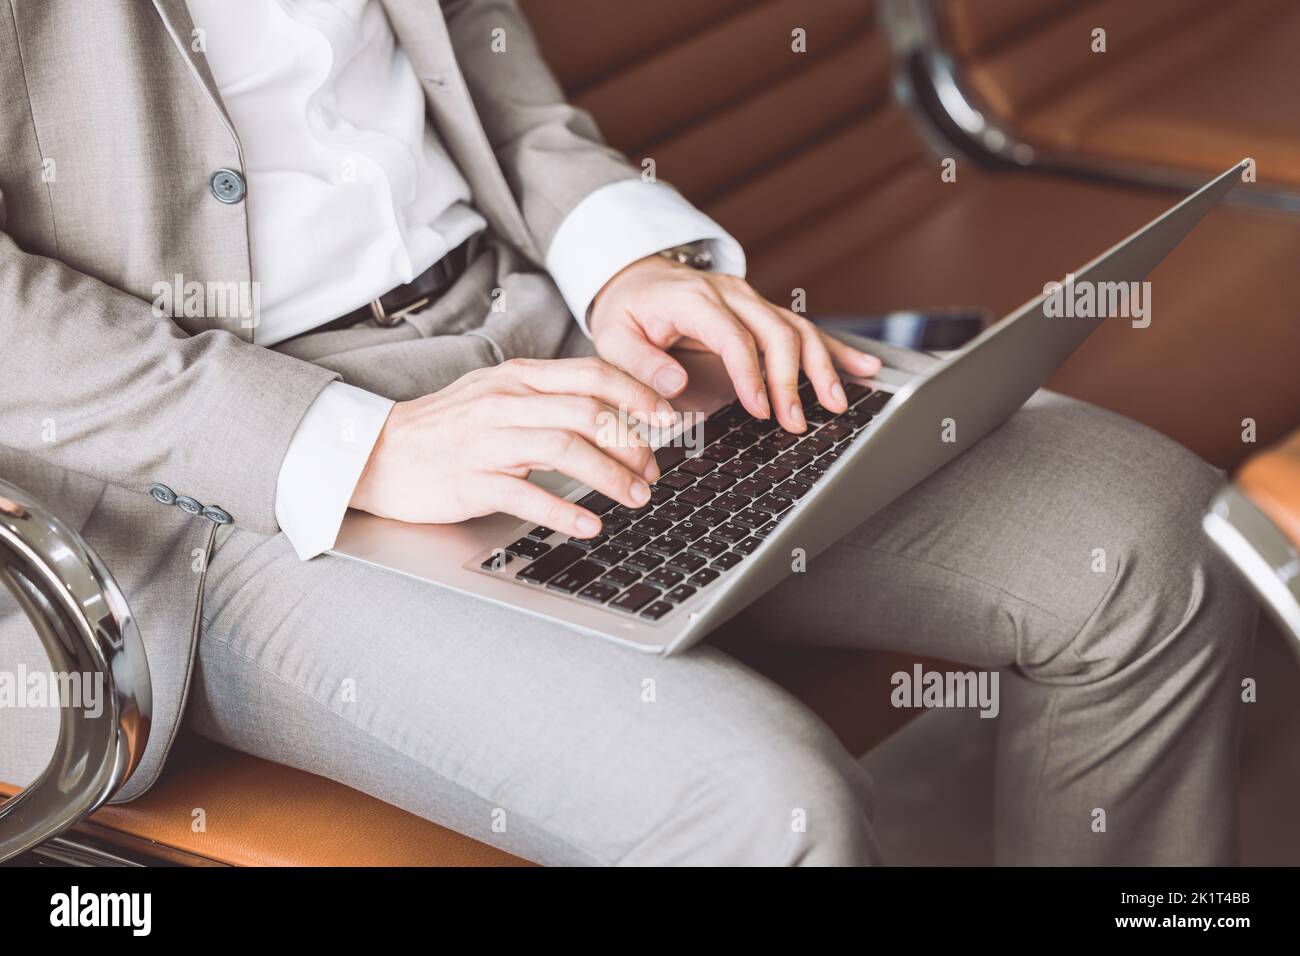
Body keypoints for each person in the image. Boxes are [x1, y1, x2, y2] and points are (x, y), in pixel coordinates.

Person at [0, 0, 1255, 865]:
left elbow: (492, 92)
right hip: (216, 480)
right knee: (766, 817)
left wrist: (629, 261)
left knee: (1149, 542)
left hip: (542, 333)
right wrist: (357, 443)